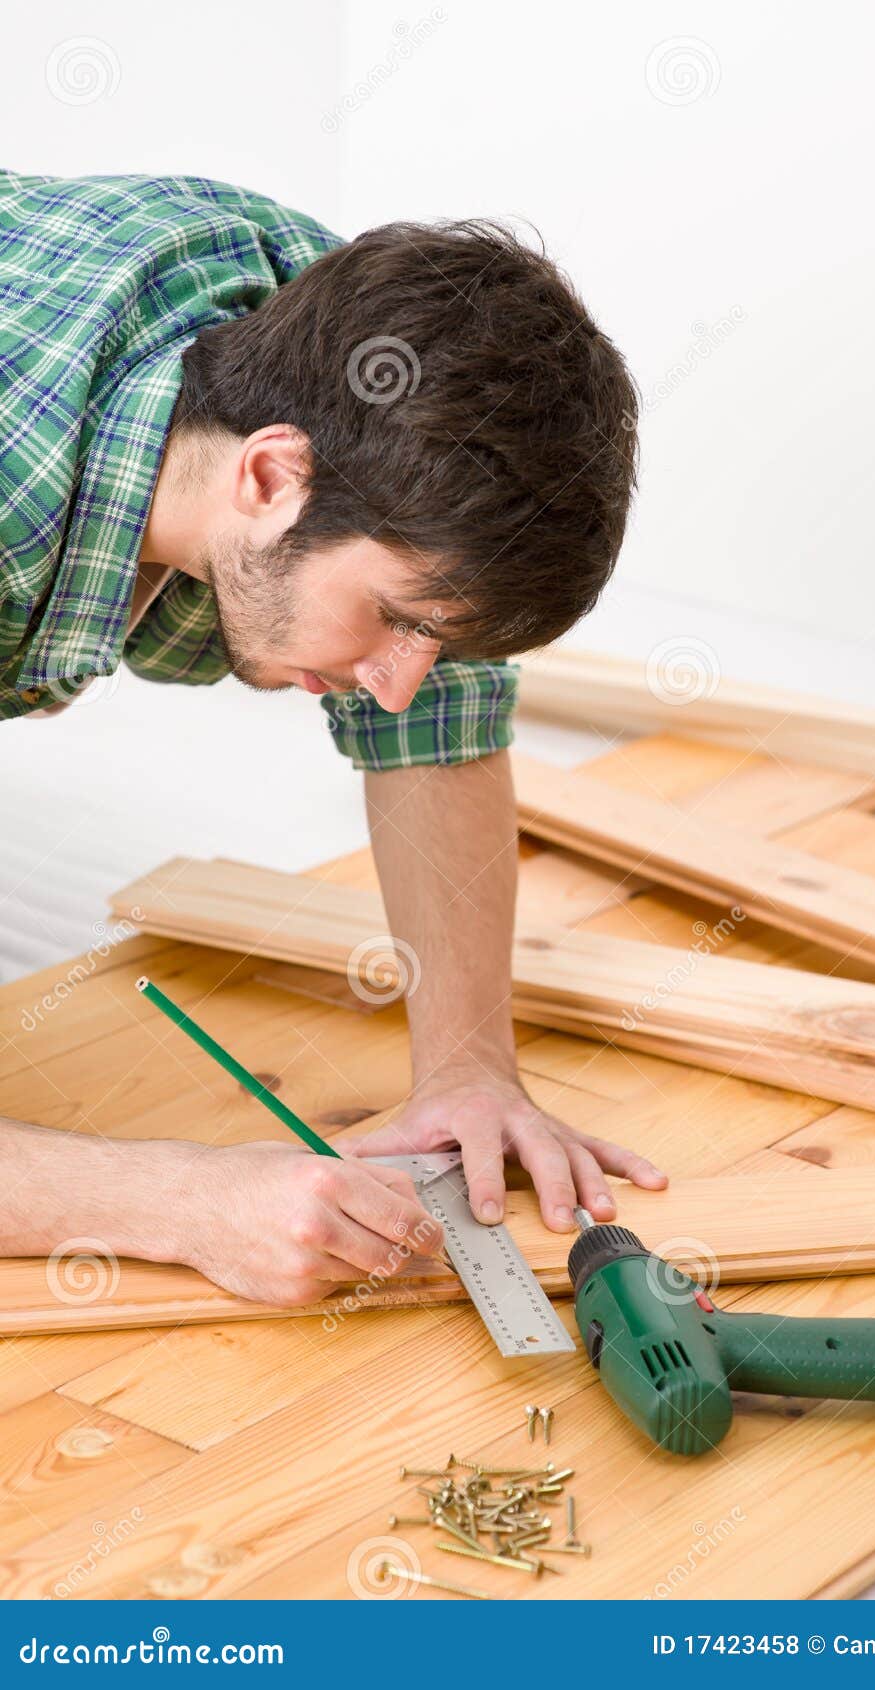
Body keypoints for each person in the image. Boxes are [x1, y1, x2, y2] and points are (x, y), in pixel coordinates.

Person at [0, 170, 667, 1305]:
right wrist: (176, 1202)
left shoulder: (323, 335)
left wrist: (466, 1066)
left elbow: (438, 724)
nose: (399, 688)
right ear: (266, 475)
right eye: (397, 622)